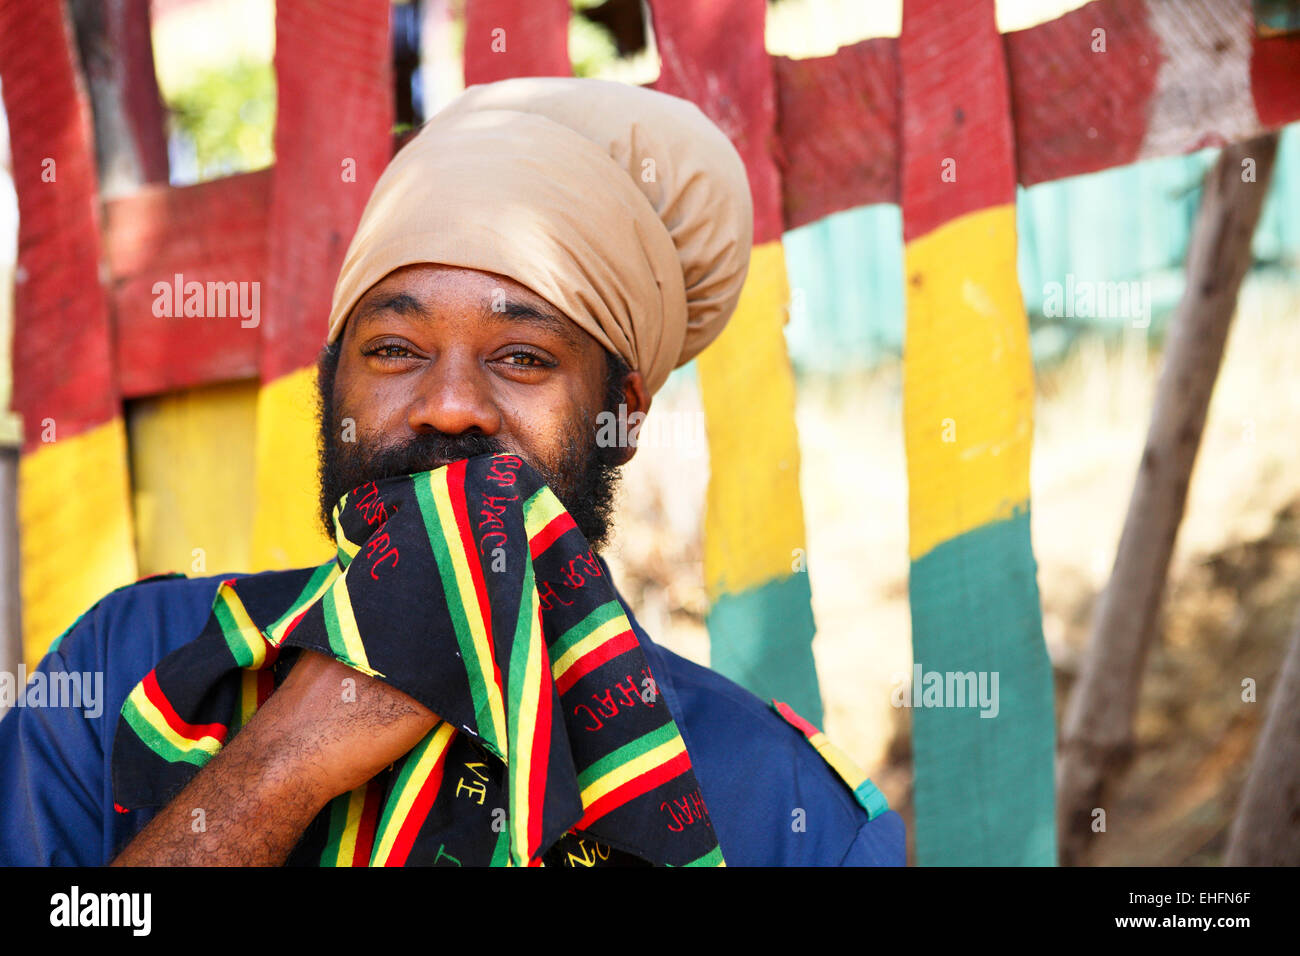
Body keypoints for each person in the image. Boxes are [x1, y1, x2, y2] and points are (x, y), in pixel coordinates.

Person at [0, 77, 904, 866]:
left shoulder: (780, 808)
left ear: (622, 416)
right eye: (395, 348)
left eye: (521, 358)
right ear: (330, 390)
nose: (450, 405)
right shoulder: (129, 665)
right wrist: (278, 767)